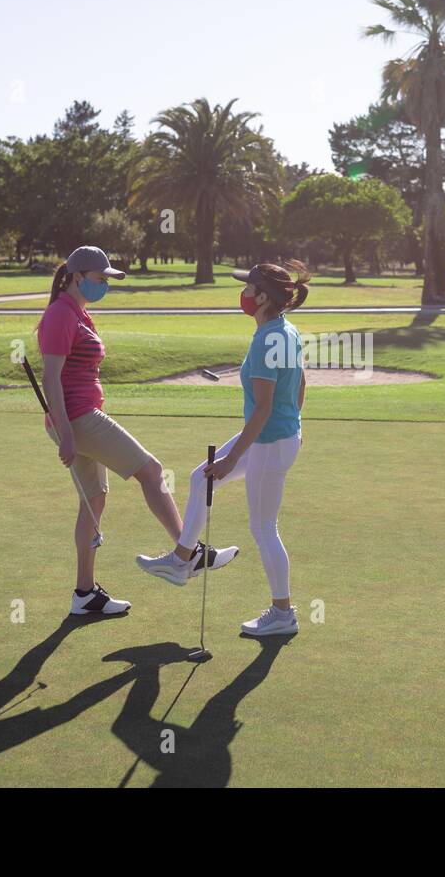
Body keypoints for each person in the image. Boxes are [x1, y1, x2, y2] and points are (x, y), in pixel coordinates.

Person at [38, 246, 238, 617]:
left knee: (93, 499)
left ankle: (84, 594)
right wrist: (66, 434)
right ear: (77, 277)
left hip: (78, 417)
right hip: (77, 419)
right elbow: (50, 379)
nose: (104, 285)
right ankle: (187, 554)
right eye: (100, 279)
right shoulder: (60, 315)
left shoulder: (78, 313)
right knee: (152, 471)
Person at [137, 260, 309, 638]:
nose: (244, 294)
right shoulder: (284, 330)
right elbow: (300, 385)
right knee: (202, 478)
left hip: (268, 442)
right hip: (278, 438)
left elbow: (263, 407)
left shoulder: (268, 338)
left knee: (264, 528)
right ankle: (184, 559)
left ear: (263, 297)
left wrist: (232, 458)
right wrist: (293, 424)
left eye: (249, 289)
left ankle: (283, 613)